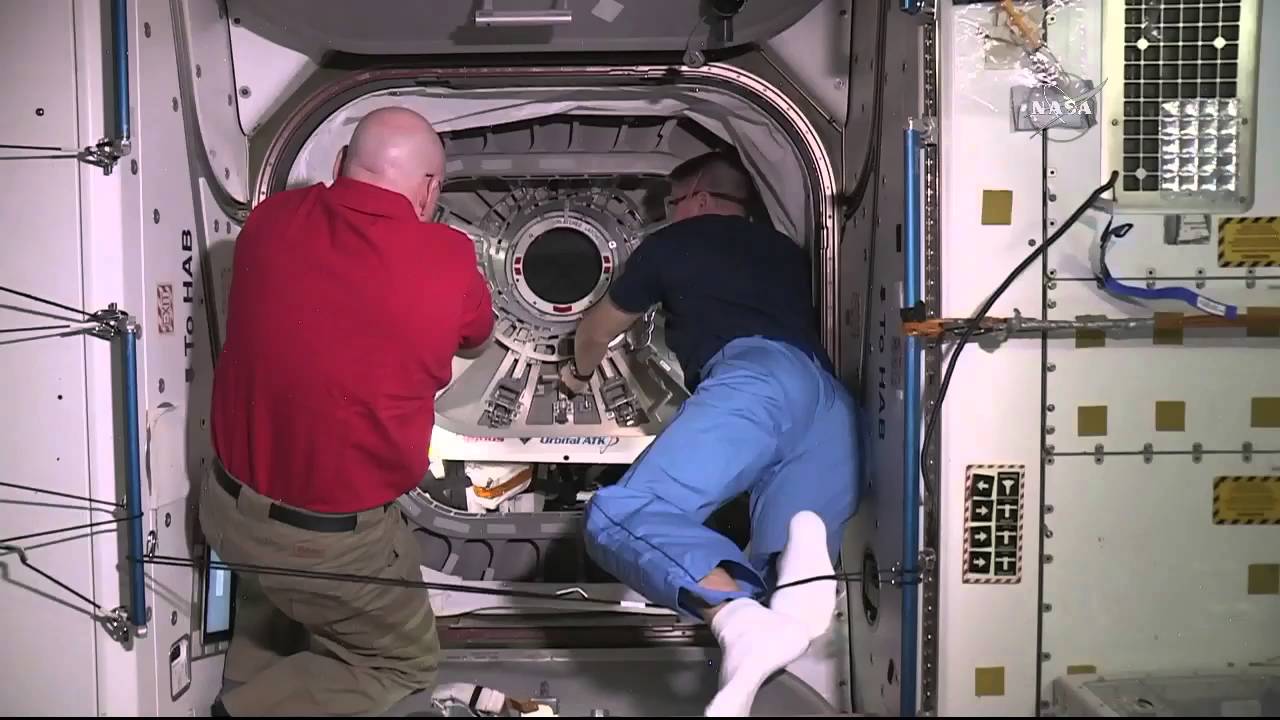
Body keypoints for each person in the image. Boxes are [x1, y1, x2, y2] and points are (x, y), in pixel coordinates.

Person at [200, 106, 494, 716]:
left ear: (338, 165)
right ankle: (244, 712)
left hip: (225, 507)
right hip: (324, 545)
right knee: (402, 663)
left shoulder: (269, 220)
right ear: (431, 189)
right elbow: (477, 335)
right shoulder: (448, 256)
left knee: (274, 607)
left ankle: (249, 681)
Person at [559, 151, 862, 716]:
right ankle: (787, 611)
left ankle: (734, 618)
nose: (670, 215)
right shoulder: (792, 252)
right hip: (828, 406)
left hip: (758, 383)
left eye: (671, 205)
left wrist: (576, 373)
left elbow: (596, 329)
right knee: (784, 582)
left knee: (618, 515)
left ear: (695, 199)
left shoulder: (676, 243)